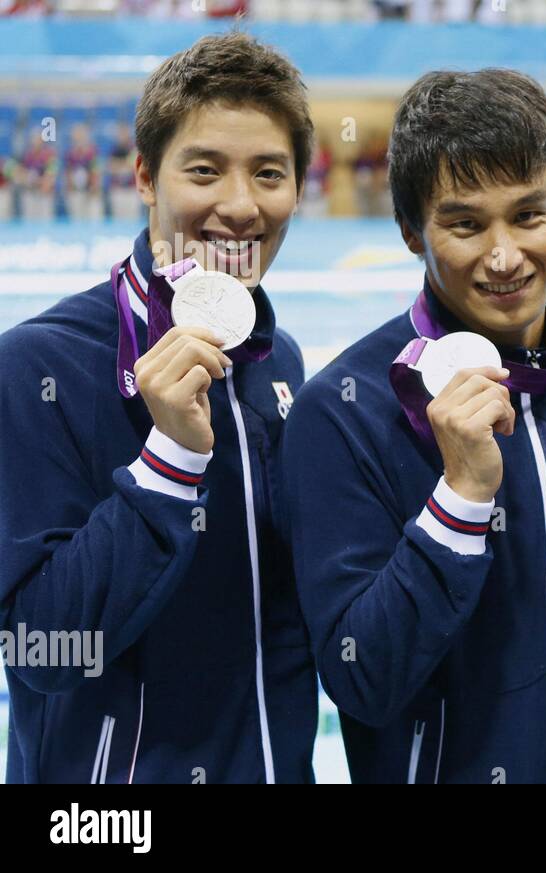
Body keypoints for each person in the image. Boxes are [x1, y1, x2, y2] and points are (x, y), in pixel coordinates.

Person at [281, 68, 546, 783]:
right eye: (465, 223)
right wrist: (458, 500)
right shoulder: (340, 411)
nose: (503, 255)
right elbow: (361, 679)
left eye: (529, 215)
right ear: (409, 230)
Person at [0, 32, 318, 783]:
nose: (240, 206)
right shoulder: (36, 366)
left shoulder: (281, 361)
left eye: (269, 173)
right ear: (145, 175)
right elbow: (40, 647)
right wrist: (168, 464)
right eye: (205, 170)